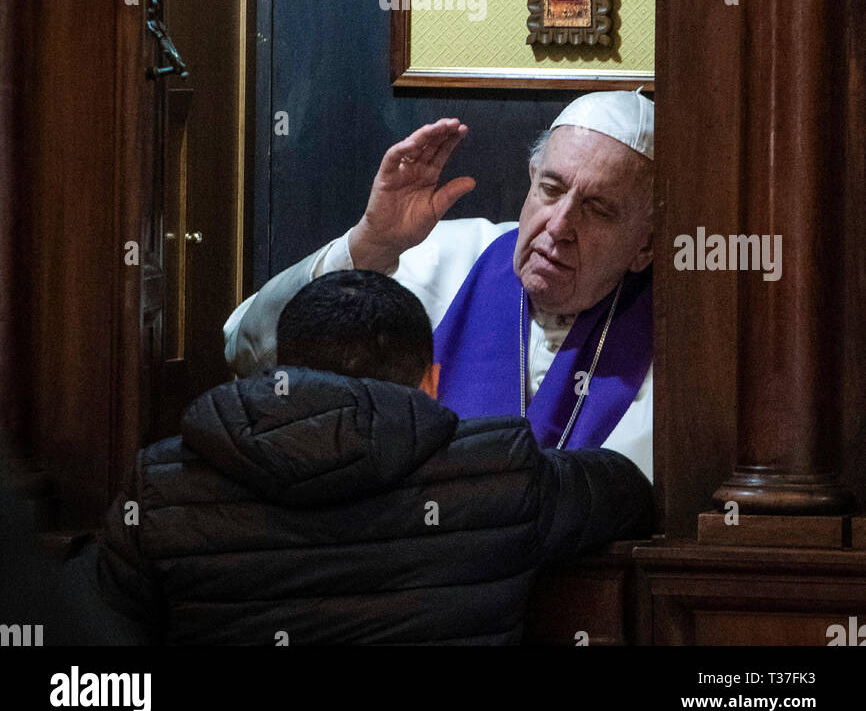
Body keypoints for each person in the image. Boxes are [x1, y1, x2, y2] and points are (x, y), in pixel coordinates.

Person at [74, 271, 652, 645]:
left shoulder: (162, 485)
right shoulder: (502, 472)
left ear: (280, 368)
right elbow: (630, 490)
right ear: (430, 382)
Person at [226, 90, 655, 481]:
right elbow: (248, 347)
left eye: (597, 209)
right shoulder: (441, 254)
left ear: (646, 245)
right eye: (550, 189)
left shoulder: (678, 336)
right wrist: (370, 243)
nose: (559, 226)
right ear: (531, 178)